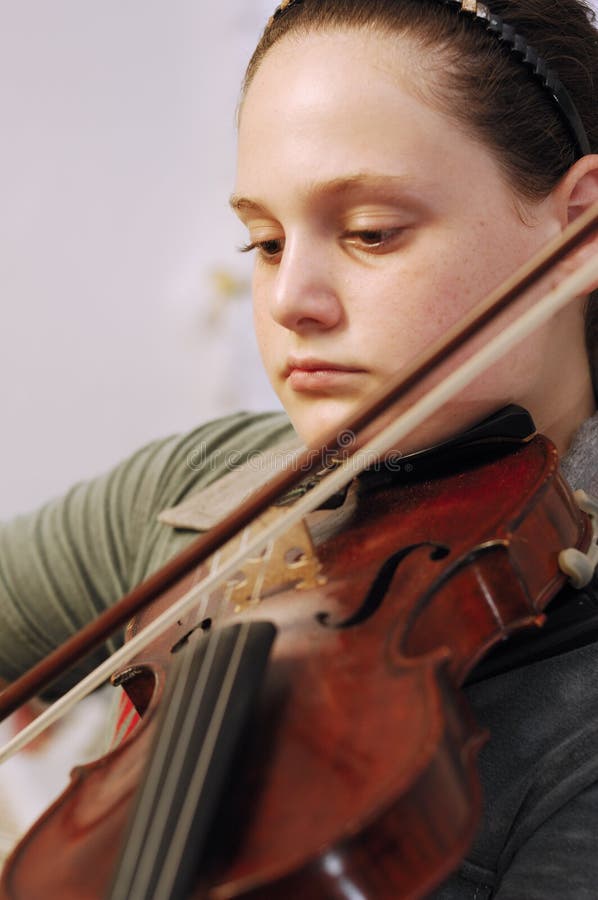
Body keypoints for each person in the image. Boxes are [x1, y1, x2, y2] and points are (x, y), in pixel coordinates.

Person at [1, 0, 598, 896]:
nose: (290, 300)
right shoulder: (204, 494)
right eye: (266, 241)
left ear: (577, 225)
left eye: (369, 232)